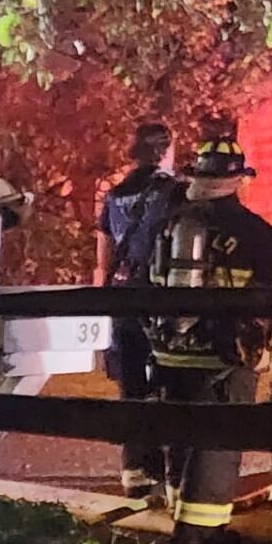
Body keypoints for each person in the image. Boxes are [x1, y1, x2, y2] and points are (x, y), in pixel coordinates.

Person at [145, 132, 272, 544]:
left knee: (182, 432)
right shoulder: (247, 227)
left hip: (167, 349)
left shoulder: (169, 221)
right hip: (223, 353)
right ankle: (200, 534)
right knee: (220, 438)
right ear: (237, 180)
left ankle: (181, 514)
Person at [95, 122, 179, 498]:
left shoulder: (115, 195)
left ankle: (134, 472)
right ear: (165, 151)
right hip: (160, 301)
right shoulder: (172, 191)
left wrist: (104, 307)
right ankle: (166, 473)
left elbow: (104, 257)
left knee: (131, 385)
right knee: (167, 384)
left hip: (123, 299)